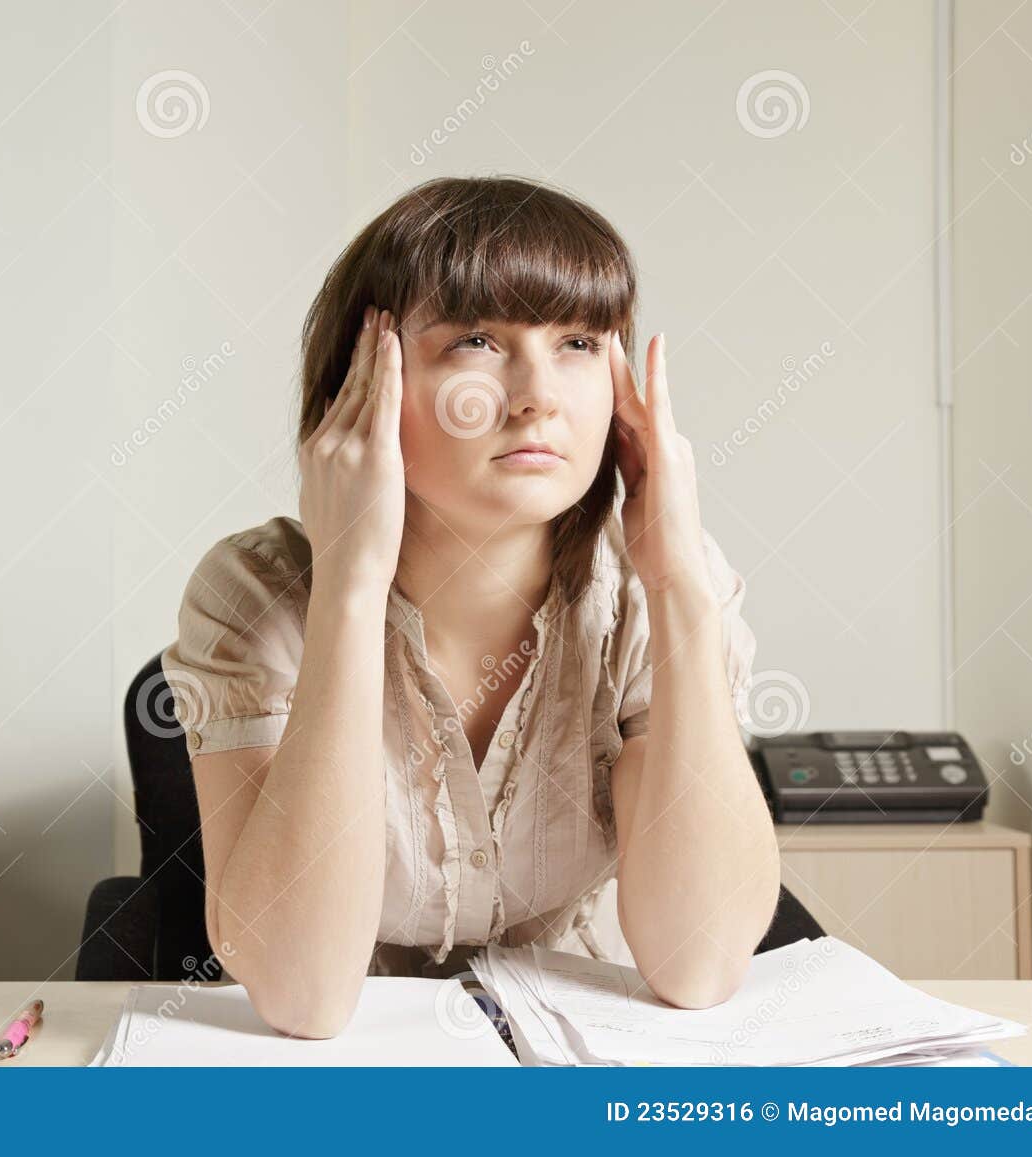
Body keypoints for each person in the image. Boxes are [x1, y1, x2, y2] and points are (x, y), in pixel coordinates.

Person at [160, 175, 780, 1038]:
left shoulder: (652, 593)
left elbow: (701, 963)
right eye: (478, 341)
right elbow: (303, 996)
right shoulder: (253, 594)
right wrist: (347, 587)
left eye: (576, 342)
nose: (538, 396)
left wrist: (679, 586)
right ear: (361, 384)